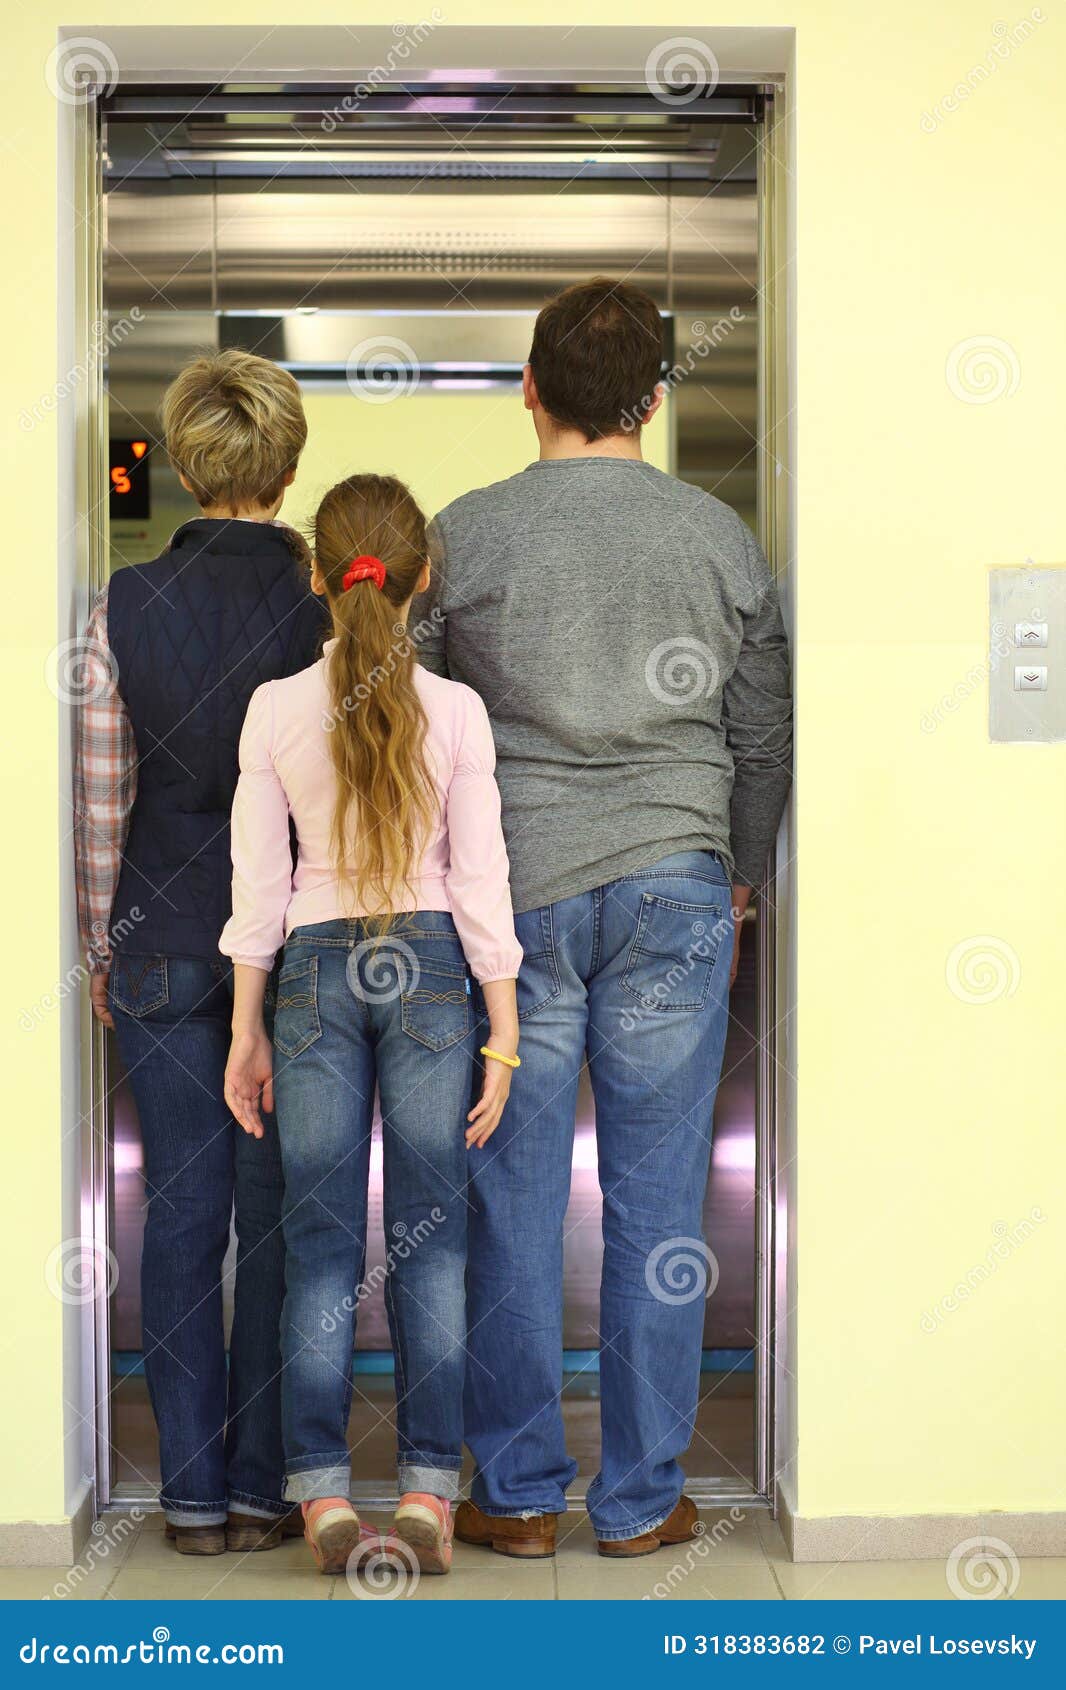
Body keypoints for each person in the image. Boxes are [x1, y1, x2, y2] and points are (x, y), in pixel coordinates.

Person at [414, 277, 793, 1558]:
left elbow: (418, 732)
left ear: (528, 389)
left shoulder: (466, 534)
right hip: (675, 883)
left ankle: (519, 1494)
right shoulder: (716, 536)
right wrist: (736, 871)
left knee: (510, 1200)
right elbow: (760, 730)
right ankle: (637, 1501)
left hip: (511, 902)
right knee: (657, 1205)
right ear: (654, 398)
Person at [219, 473, 522, 1577]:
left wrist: (246, 1028)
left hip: (310, 972)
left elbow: (259, 887)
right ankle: (431, 1495)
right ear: (421, 577)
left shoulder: (273, 707)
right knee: (433, 1246)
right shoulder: (460, 711)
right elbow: (480, 878)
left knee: (319, 1246)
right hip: (433, 968)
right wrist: (502, 1025)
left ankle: (321, 1496)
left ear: (317, 574)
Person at [74, 349, 328, 1554]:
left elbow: (101, 796)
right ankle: (265, 1484)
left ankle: (188, 1495)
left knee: (180, 1212)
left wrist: (100, 943)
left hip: (162, 937)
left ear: (181, 466)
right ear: (289, 468)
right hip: (302, 948)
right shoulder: (331, 611)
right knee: (277, 1219)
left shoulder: (121, 605)